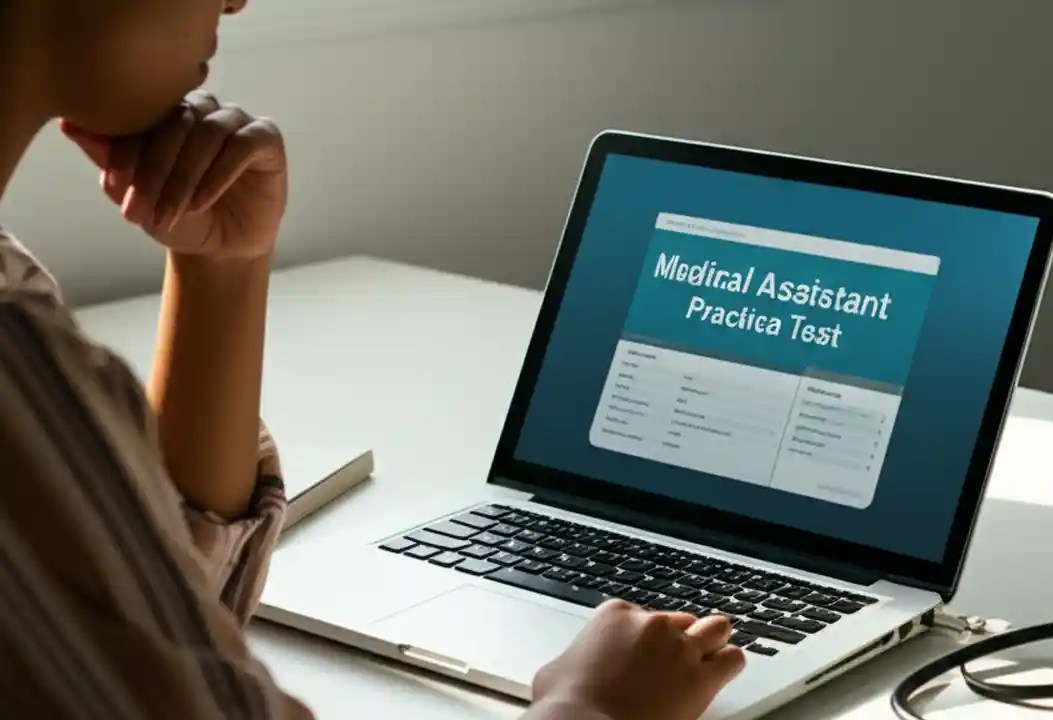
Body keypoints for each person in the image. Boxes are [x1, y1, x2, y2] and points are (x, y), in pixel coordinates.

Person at [0, 0, 746, 717]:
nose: (235, 2)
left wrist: (223, 272)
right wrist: (595, 708)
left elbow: (163, 633)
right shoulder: (17, 364)